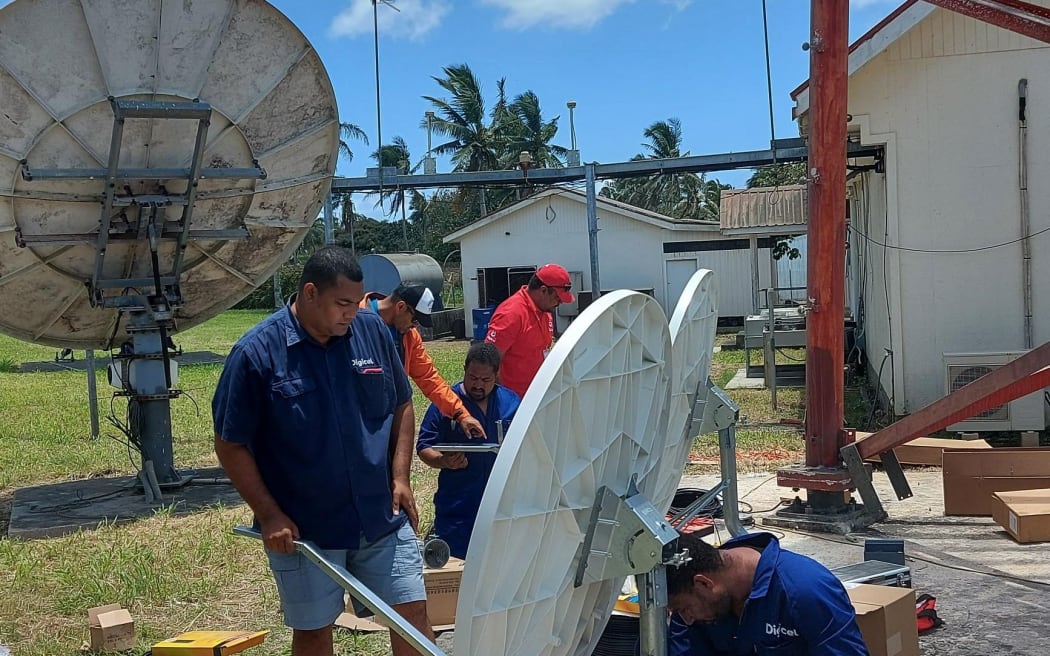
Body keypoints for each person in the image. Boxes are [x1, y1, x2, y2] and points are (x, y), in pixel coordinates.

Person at [212, 247, 434, 656]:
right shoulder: (257, 353)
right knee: (314, 632)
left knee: (413, 618)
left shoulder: (372, 332)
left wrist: (400, 477)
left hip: (381, 516)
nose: (353, 313)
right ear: (311, 293)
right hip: (307, 529)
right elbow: (230, 442)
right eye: (343, 303)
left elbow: (402, 403)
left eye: (357, 302)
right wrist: (269, 514)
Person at [666, 530, 869, 656]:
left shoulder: (806, 590)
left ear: (703, 583)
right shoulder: (690, 597)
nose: (687, 619)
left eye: (684, 609)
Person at [416, 342, 521, 559]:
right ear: (464, 369)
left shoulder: (511, 403)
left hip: (503, 506)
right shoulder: (447, 404)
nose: (478, 385)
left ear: (497, 375)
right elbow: (424, 446)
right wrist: (443, 461)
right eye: (473, 378)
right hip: (458, 508)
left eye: (486, 380)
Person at [363, 284, 487, 438]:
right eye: (415, 320)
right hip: (359, 423)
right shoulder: (355, 321)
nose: (415, 326)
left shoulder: (409, 336)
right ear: (400, 307)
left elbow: (428, 377)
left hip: (391, 420)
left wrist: (460, 414)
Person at [484, 263, 575, 399]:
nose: (559, 303)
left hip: (538, 397)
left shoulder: (545, 311)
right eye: (558, 298)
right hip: (514, 403)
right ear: (543, 290)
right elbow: (488, 362)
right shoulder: (512, 313)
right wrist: (504, 402)